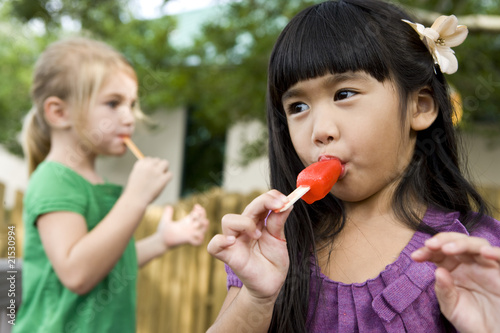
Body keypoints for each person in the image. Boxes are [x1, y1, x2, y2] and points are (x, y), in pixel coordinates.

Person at [207, 1, 500, 332]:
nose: (320, 131)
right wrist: (257, 300)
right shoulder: (275, 248)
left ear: (419, 106)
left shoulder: (477, 252)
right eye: (298, 106)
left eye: (344, 93)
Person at [14, 37, 209, 333]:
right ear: (59, 112)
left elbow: (107, 264)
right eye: (113, 103)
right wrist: (135, 198)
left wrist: (162, 241)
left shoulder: (93, 183)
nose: (129, 118)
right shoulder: (53, 180)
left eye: (131, 104)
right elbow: (78, 273)